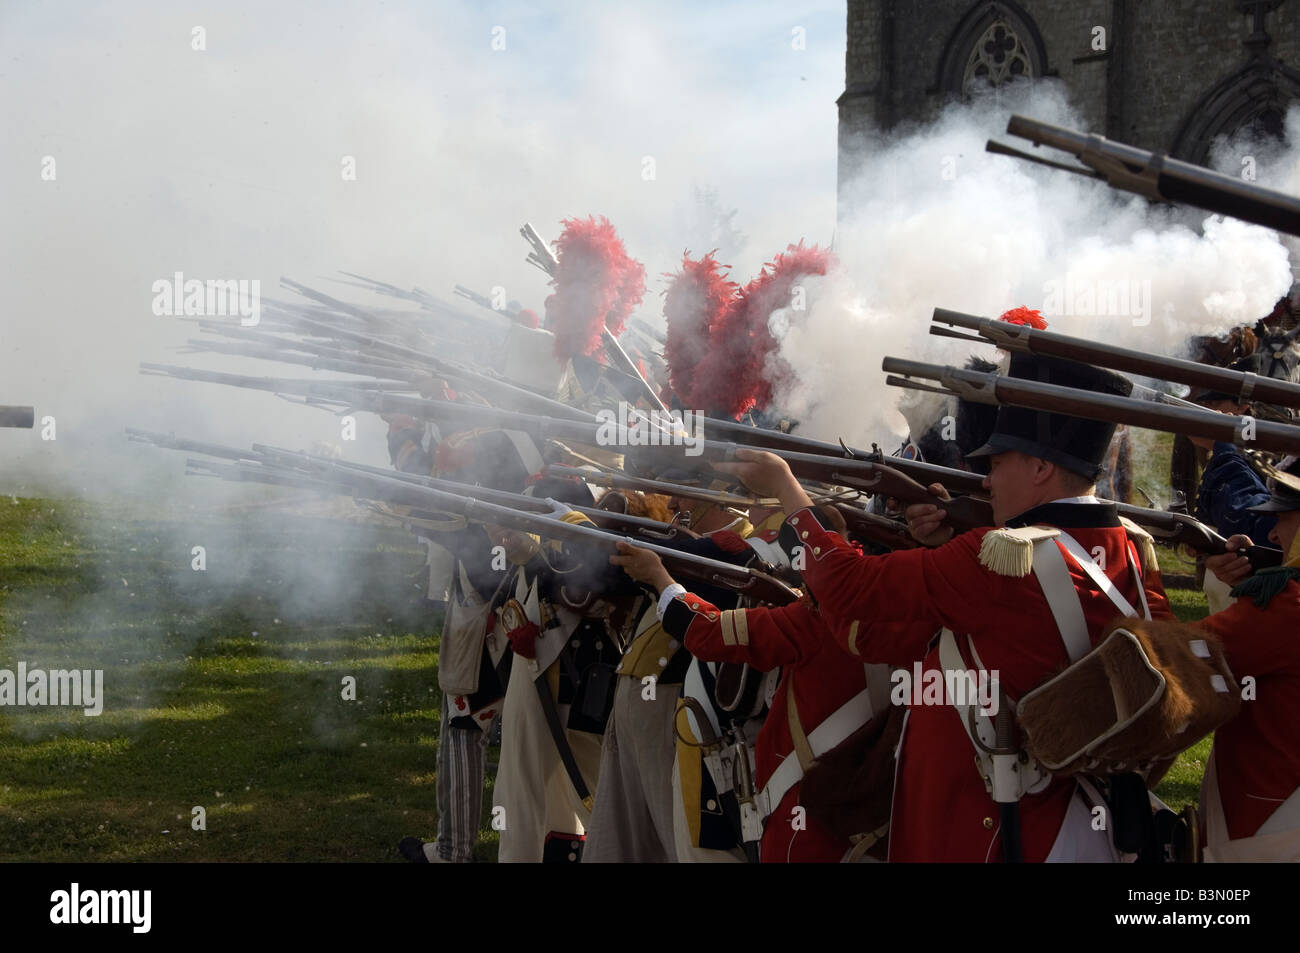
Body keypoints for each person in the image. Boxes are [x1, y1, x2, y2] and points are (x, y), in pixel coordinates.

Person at [712, 353, 1174, 862]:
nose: (986, 481)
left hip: (994, 832)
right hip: (1080, 825)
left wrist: (787, 490)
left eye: (998, 464)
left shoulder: (996, 558)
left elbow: (847, 585)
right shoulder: (1132, 548)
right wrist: (943, 542)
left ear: (1042, 468)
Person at [609, 505, 900, 862]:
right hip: (874, 809)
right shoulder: (908, 612)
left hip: (804, 813)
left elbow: (707, 632)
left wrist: (659, 578)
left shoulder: (811, 619)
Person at [1196, 454, 1300, 860]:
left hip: (1269, 837)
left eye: (1287, 517)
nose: (1273, 535)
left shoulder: (1285, 608)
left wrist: (1143, 575)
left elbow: (1172, 655)